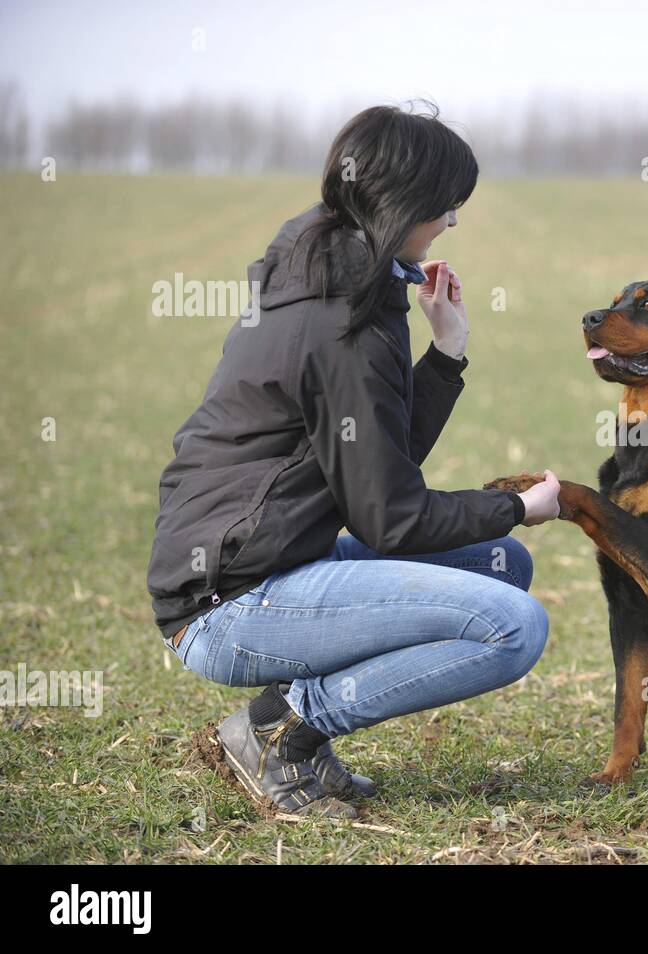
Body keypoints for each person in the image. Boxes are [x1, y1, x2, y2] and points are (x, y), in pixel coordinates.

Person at [146, 103, 562, 818]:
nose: (452, 224)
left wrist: (448, 353)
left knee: (501, 565)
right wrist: (520, 507)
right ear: (406, 205)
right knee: (514, 626)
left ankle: (285, 723)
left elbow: (377, 460)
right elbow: (391, 514)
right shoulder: (341, 318)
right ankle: (284, 730)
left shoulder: (340, 272)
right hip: (229, 602)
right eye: (448, 207)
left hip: (269, 558)